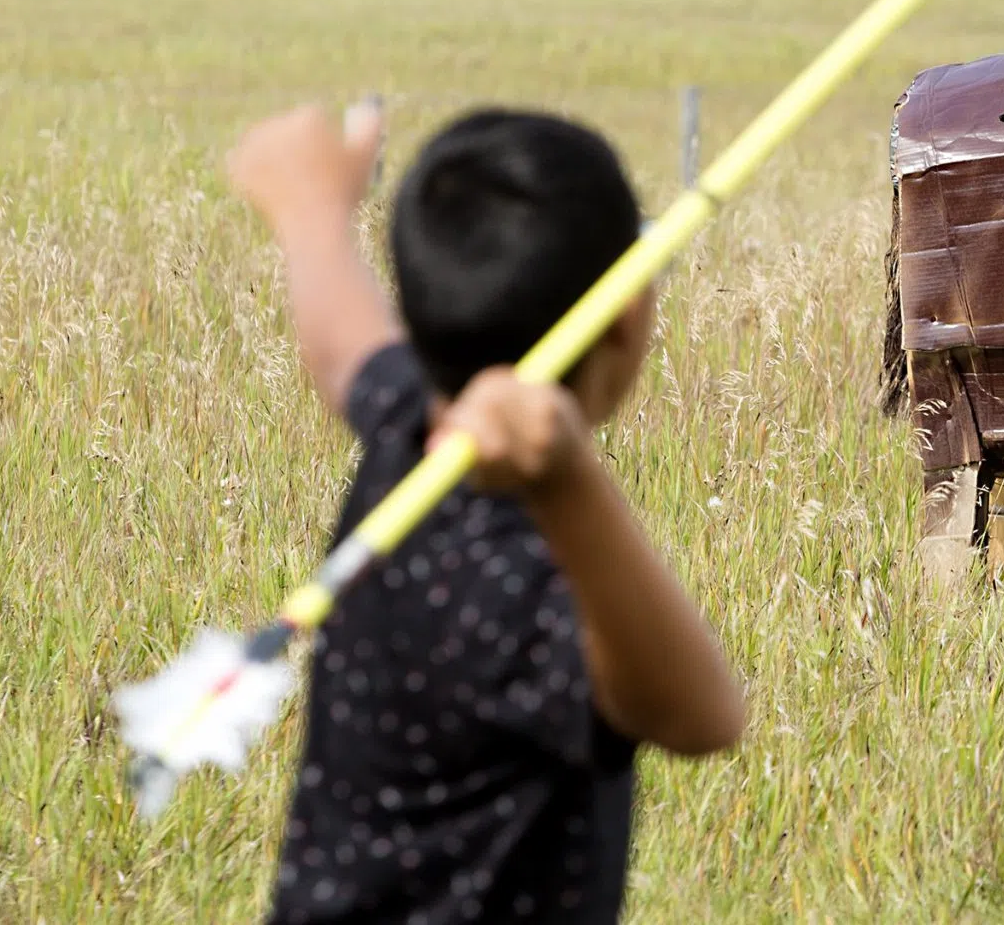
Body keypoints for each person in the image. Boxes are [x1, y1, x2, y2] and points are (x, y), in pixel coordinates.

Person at [227, 100, 744, 923]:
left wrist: (312, 216)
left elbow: (346, 350)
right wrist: (569, 483)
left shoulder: (415, 433)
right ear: (628, 313)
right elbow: (701, 716)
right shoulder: (510, 571)